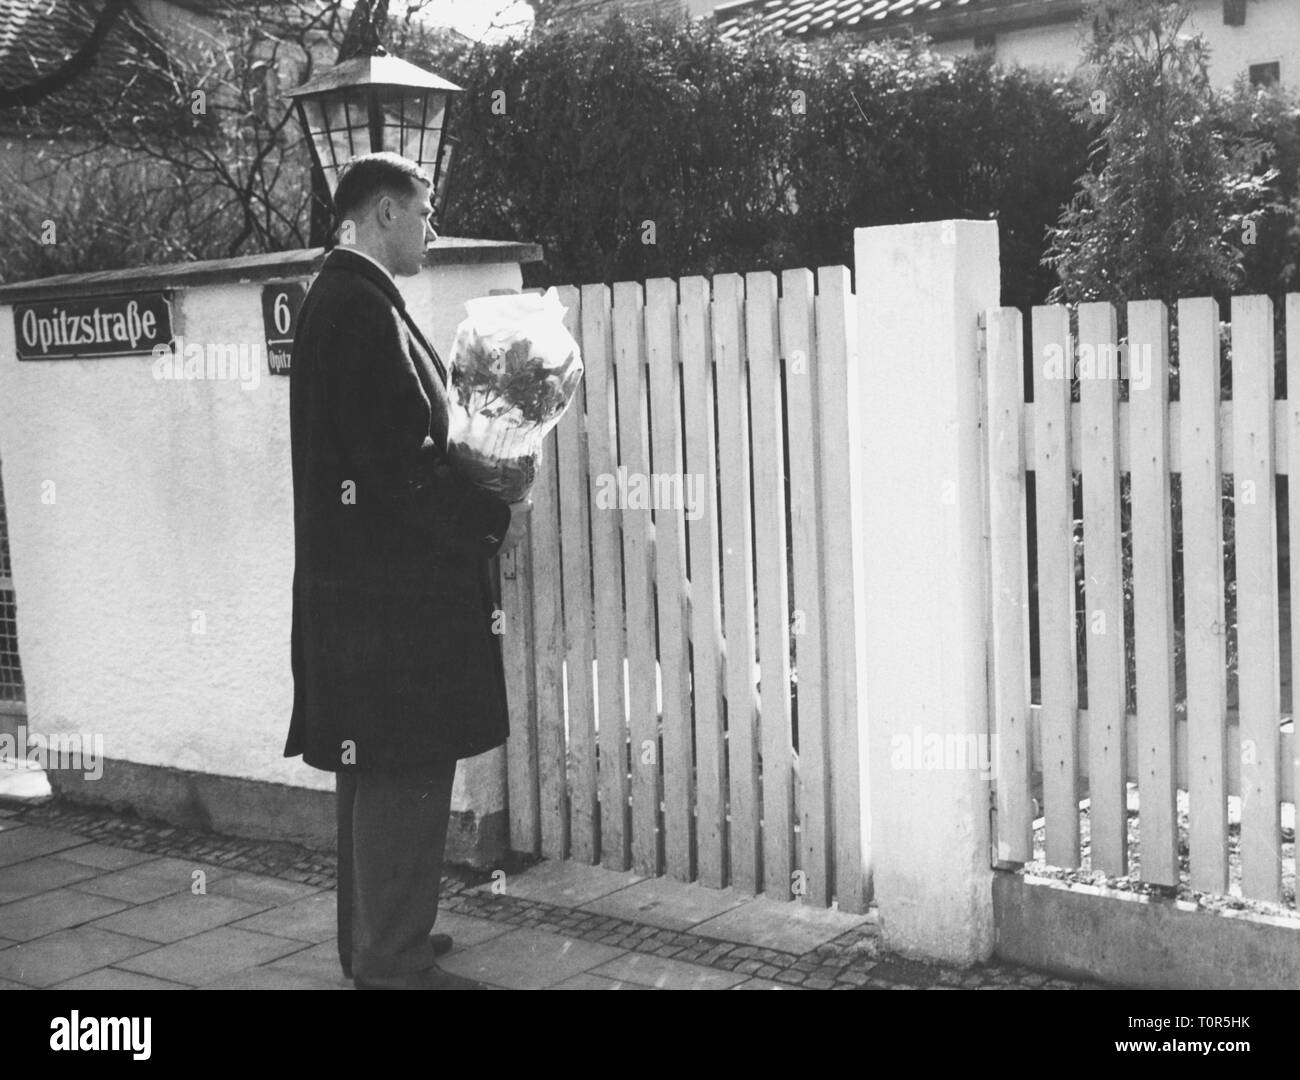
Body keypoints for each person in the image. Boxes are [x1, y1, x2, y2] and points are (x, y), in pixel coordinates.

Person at [284, 151, 529, 990]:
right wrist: (488, 513)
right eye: (424, 212)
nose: (432, 228)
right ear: (385, 212)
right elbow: (402, 464)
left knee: (374, 773)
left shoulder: (347, 297)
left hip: (359, 598)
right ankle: (393, 961)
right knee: (404, 770)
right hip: (392, 605)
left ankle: (375, 940)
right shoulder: (358, 307)